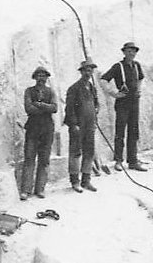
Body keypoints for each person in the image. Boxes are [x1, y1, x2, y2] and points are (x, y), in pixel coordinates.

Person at [100, 41, 146, 171]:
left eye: (133, 51)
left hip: (134, 102)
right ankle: (118, 161)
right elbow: (103, 79)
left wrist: (139, 89)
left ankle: (133, 161)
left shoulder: (137, 65)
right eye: (128, 51)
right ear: (124, 52)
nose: (131, 53)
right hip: (122, 103)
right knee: (120, 131)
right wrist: (114, 93)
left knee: (134, 131)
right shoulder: (118, 66)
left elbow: (141, 78)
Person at [19, 66, 57, 199]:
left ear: (47, 78)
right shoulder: (29, 91)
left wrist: (40, 105)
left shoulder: (50, 91)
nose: (41, 79)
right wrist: (45, 108)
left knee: (44, 160)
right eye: (39, 76)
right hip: (33, 129)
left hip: (47, 129)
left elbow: (54, 108)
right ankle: (26, 190)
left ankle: (40, 189)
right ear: (35, 78)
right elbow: (28, 109)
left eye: (44, 76)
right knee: (29, 159)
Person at [64, 60, 102, 191]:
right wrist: (74, 124)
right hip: (78, 126)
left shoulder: (92, 87)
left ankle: (86, 180)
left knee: (89, 152)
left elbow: (96, 103)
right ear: (81, 72)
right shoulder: (74, 88)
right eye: (86, 70)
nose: (88, 73)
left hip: (90, 125)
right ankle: (75, 181)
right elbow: (69, 109)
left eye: (90, 70)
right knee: (75, 153)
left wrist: (96, 110)